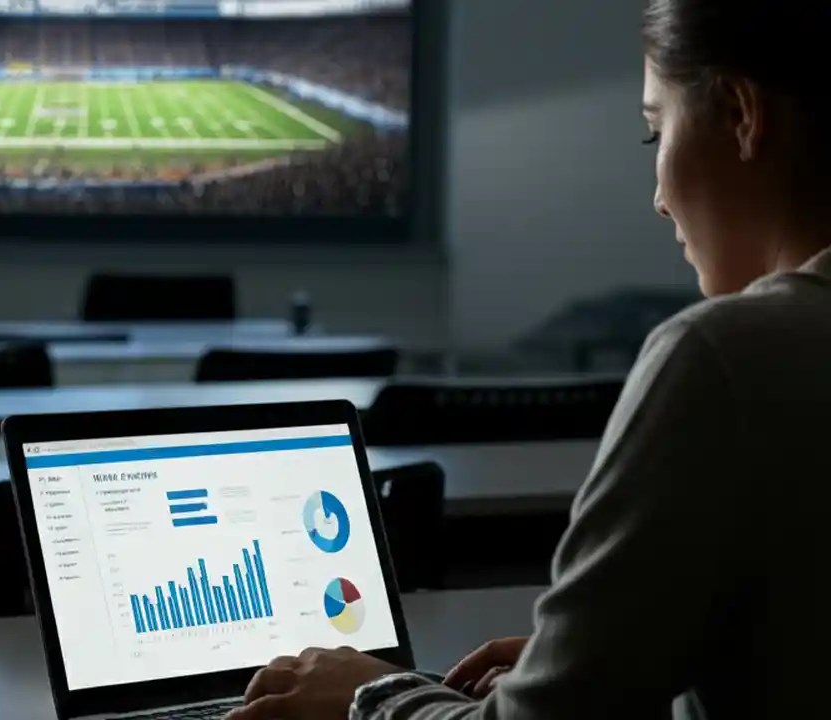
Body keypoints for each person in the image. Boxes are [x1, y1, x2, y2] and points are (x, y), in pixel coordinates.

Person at [226, 1, 831, 718]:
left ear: (739, 114)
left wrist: (373, 695)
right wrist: (597, 658)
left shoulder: (719, 355)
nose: (661, 200)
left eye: (654, 132)